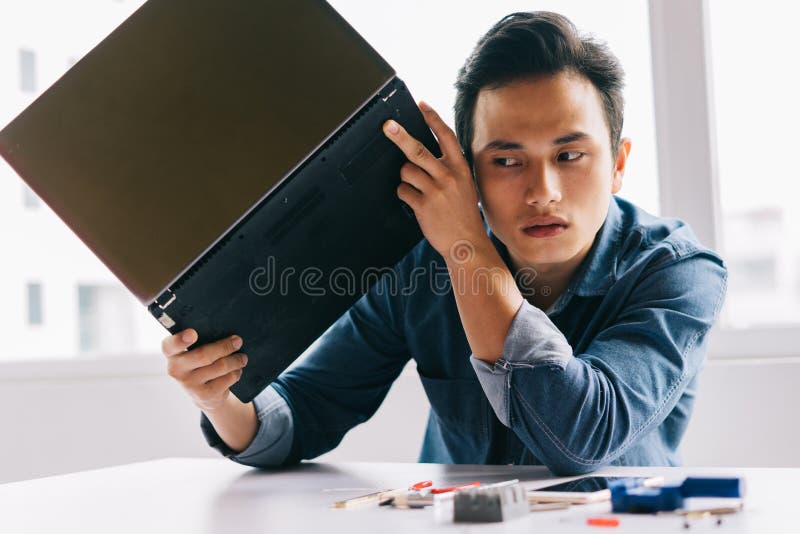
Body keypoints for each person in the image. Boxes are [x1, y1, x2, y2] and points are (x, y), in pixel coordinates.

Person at [161, 11, 727, 475]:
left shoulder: (678, 273)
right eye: (506, 161)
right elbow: (301, 416)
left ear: (618, 165)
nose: (542, 192)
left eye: (569, 155)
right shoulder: (418, 266)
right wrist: (220, 398)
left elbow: (580, 437)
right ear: (470, 172)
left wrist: (464, 246)